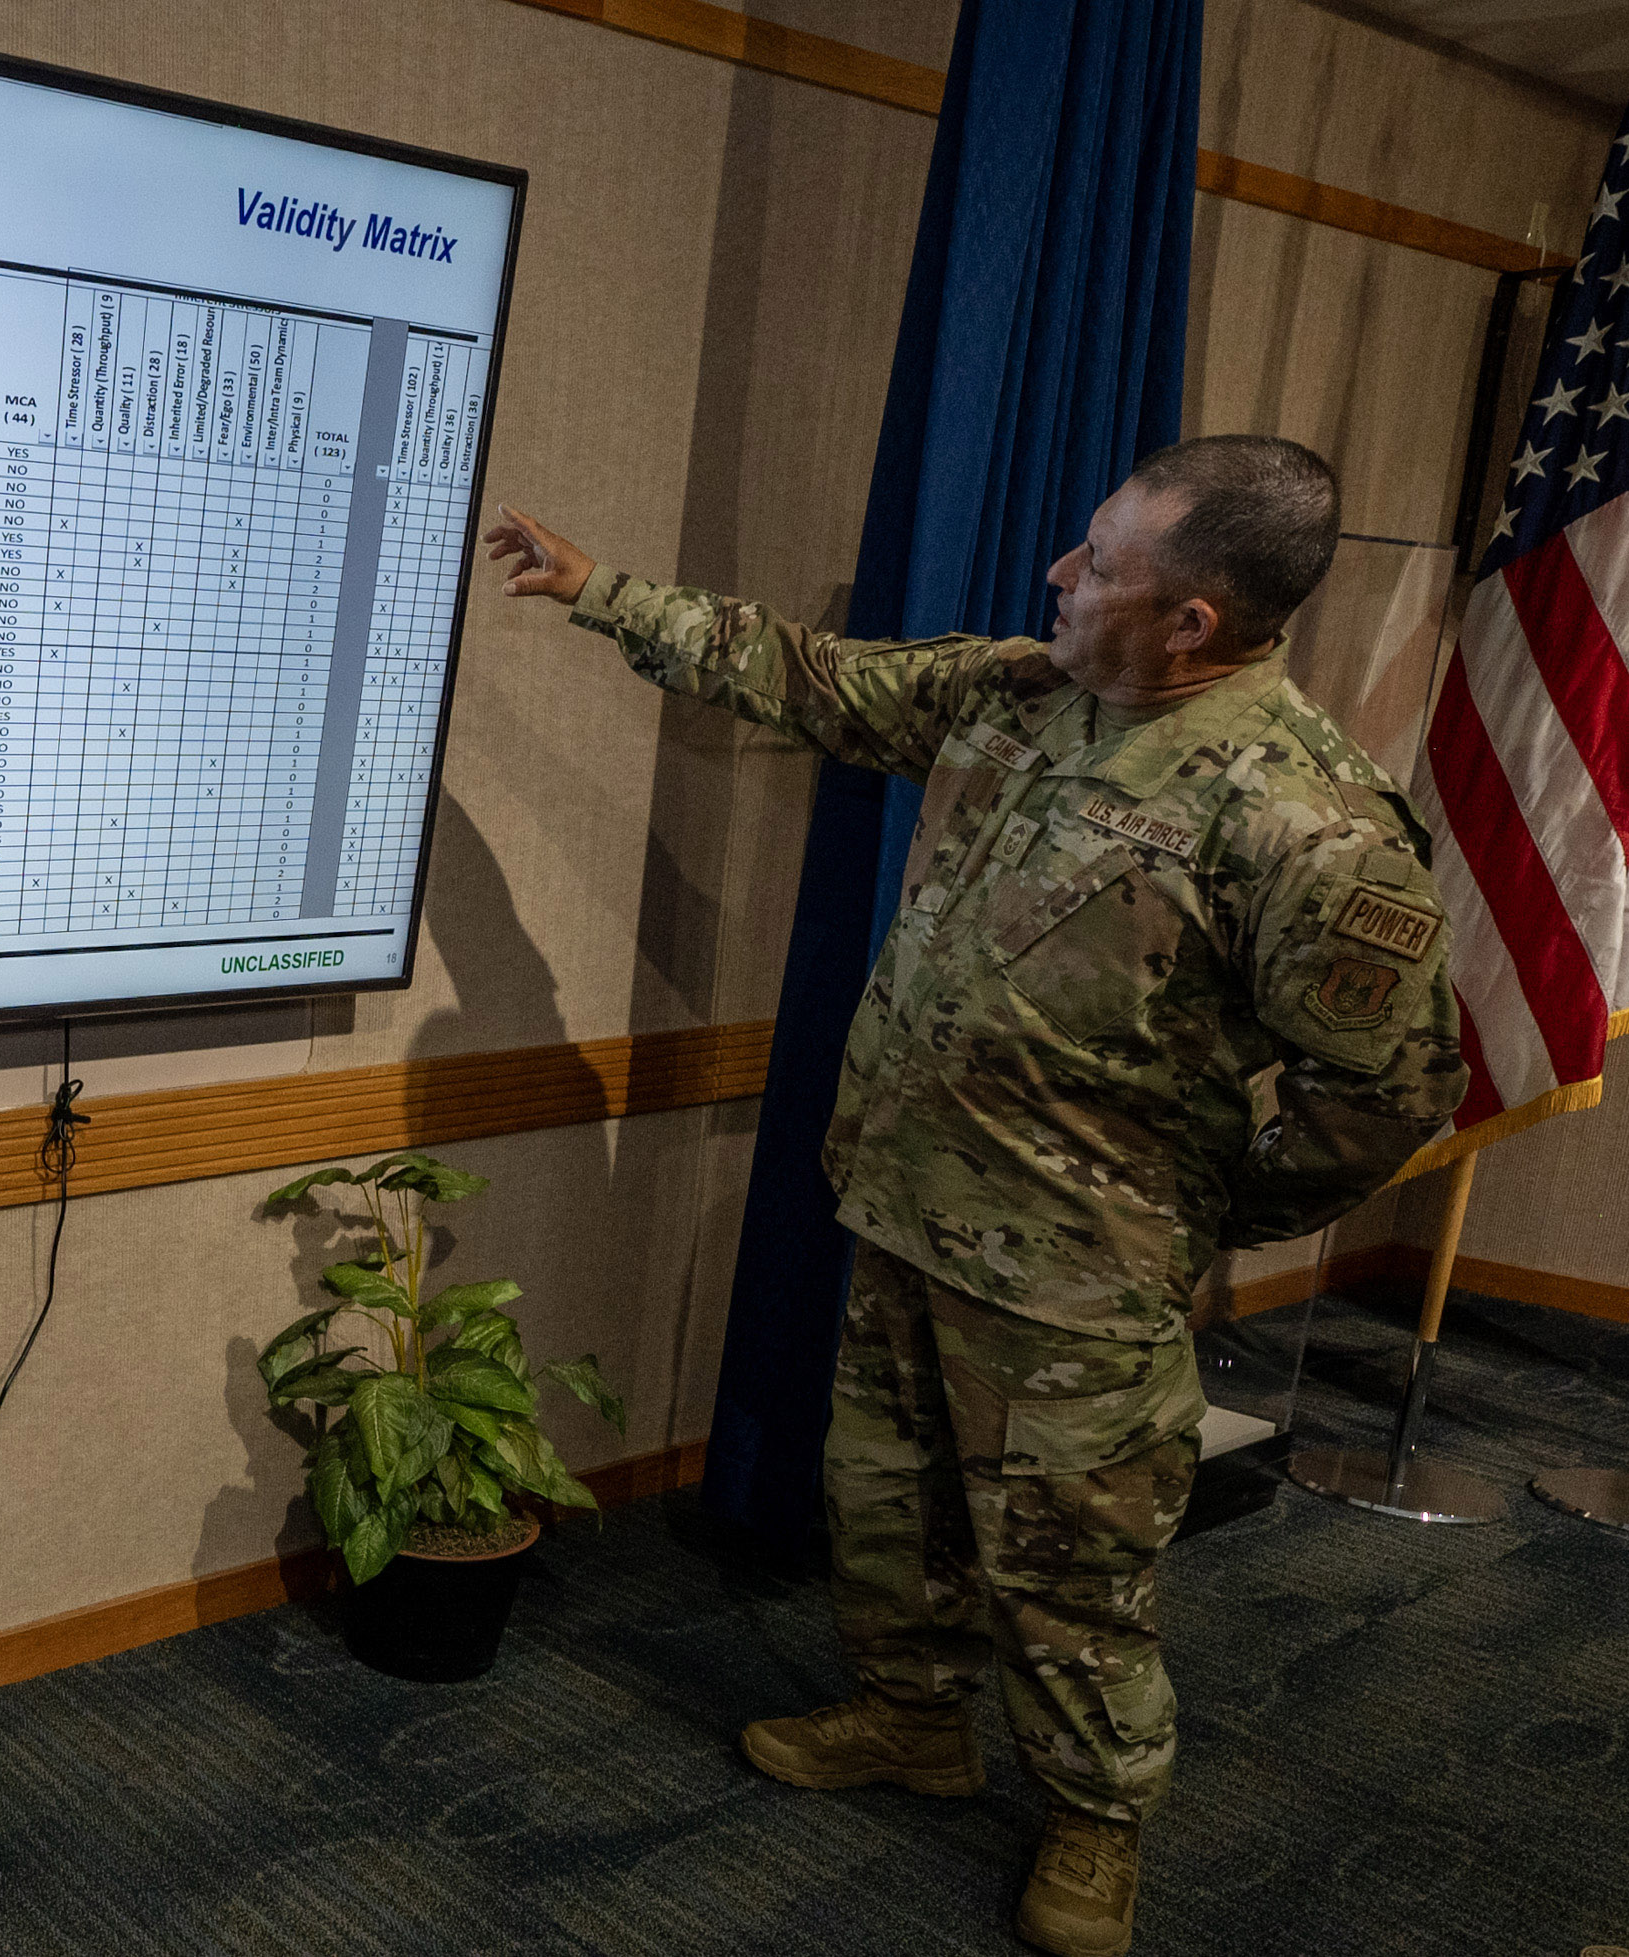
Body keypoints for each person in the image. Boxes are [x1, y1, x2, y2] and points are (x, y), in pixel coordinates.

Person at [486, 436, 1464, 1957]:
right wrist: (599, 591)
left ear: (1193, 620)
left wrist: (1205, 1208)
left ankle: (1094, 1821)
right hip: (904, 1201)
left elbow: (1392, 1090)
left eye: (1100, 562)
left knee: (1070, 1566)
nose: (1062, 574)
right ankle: (907, 1716)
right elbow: (816, 680)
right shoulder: (1028, 689)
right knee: (886, 1498)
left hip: (1081, 1283)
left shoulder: (1306, 827)